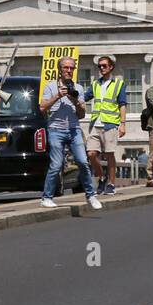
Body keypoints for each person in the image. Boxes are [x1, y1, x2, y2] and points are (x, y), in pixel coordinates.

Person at [39, 58, 101, 210]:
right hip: (56, 129)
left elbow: (81, 115)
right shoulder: (50, 86)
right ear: (59, 69)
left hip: (74, 129)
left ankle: (90, 195)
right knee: (56, 164)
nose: (68, 70)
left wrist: (75, 101)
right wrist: (57, 96)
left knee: (83, 161)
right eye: (65, 68)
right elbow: (42, 108)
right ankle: (46, 197)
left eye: (71, 68)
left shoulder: (78, 88)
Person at [85, 55, 126, 195]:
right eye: (99, 66)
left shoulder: (118, 84)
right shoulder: (96, 84)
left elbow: (122, 105)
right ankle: (102, 177)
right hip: (95, 123)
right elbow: (84, 97)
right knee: (91, 154)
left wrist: (123, 124)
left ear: (111, 67)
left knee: (109, 155)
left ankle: (111, 184)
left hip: (110, 124)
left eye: (104, 66)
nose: (101, 68)